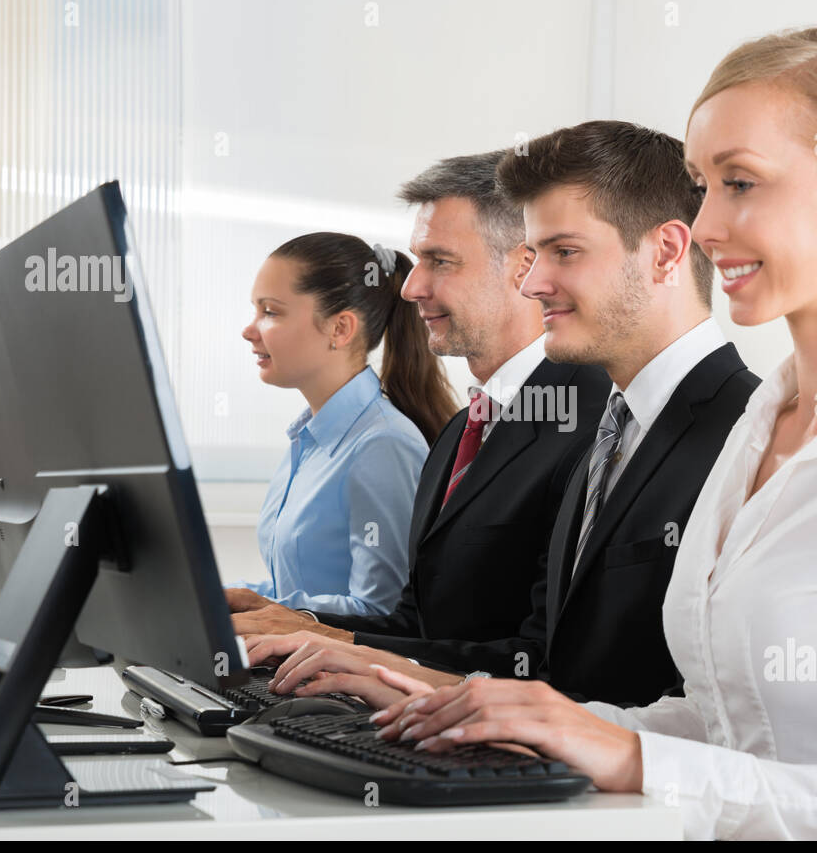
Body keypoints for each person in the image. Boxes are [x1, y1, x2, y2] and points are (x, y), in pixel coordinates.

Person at [300, 26, 817, 841]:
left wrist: (628, 757)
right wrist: (524, 716)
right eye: (700, 187)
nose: (702, 225)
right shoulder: (759, 432)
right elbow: (727, 729)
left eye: (739, 183)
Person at [253, 121, 762, 708]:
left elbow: (713, 714)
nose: (535, 281)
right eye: (536, 254)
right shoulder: (612, 424)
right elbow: (543, 660)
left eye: (563, 251)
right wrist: (336, 645)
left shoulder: (748, 433)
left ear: (667, 252)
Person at [232, 151, 608, 673]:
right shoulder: (462, 430)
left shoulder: (591, 422)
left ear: (523, 266)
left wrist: (334, 643)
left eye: (440, 260)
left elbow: (543, 659)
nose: (410, 288)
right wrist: (306, 627)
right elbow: (418, 625)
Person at [223, 232, 456, 623]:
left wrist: (267, 612)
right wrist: (227, 597)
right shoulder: (308, 438)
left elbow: (381, 613)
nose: (250, 330)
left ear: (340, 329)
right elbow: (299, 590)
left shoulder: (382, 445)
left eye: (271, 312)